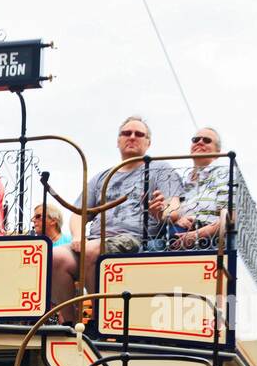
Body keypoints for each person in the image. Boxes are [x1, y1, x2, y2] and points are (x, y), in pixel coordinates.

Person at [58, 116, 182, 304]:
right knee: (55, 258)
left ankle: (99, 321)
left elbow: (174, 208)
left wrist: (162, 210)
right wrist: (77, 236)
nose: (132, 137)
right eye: (126, 133)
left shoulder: (161, 170)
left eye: (139, 134)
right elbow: (78, 213)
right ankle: (67, 322)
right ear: (118, 141)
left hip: (135, 239)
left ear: (148, 142)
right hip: (93, 240)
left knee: (91, 251)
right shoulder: (102, 177)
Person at [149, 126, 230, 250]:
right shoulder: (184, 182)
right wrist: (178, 220)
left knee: (152, 249)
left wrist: (196, 235)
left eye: (207, 140)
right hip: (177, 236)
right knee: (149, 247)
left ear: (218, 152)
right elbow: (174, 214)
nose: (200, 142)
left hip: (209, 240)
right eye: (195, 139)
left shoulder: (223, 174)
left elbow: (229, 218)